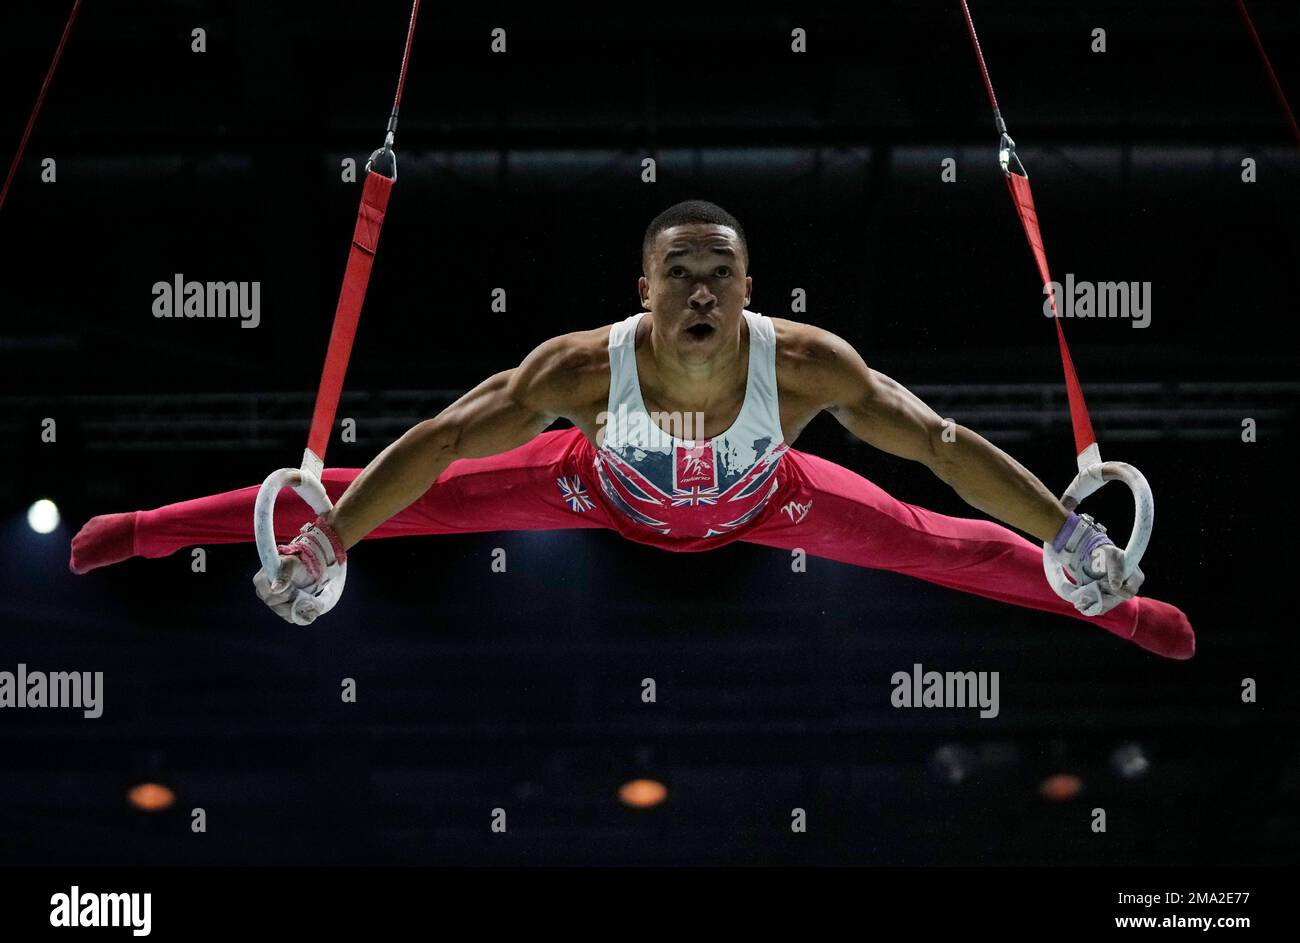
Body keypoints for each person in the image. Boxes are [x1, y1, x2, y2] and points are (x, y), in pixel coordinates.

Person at [70, 200, 1193, 659]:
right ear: (643, 284)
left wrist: (1068, 527)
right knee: (386, 495)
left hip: (769, 496)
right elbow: (437, 443)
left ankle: (1115, 602)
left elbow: (943, 449)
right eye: (678, 272)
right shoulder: (577, 367)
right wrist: (327, 541)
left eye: (719, 274)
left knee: (937, 538)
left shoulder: (804, 363)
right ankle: (156, 527)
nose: (700, 292)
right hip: (587, 486)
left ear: (750, 284)